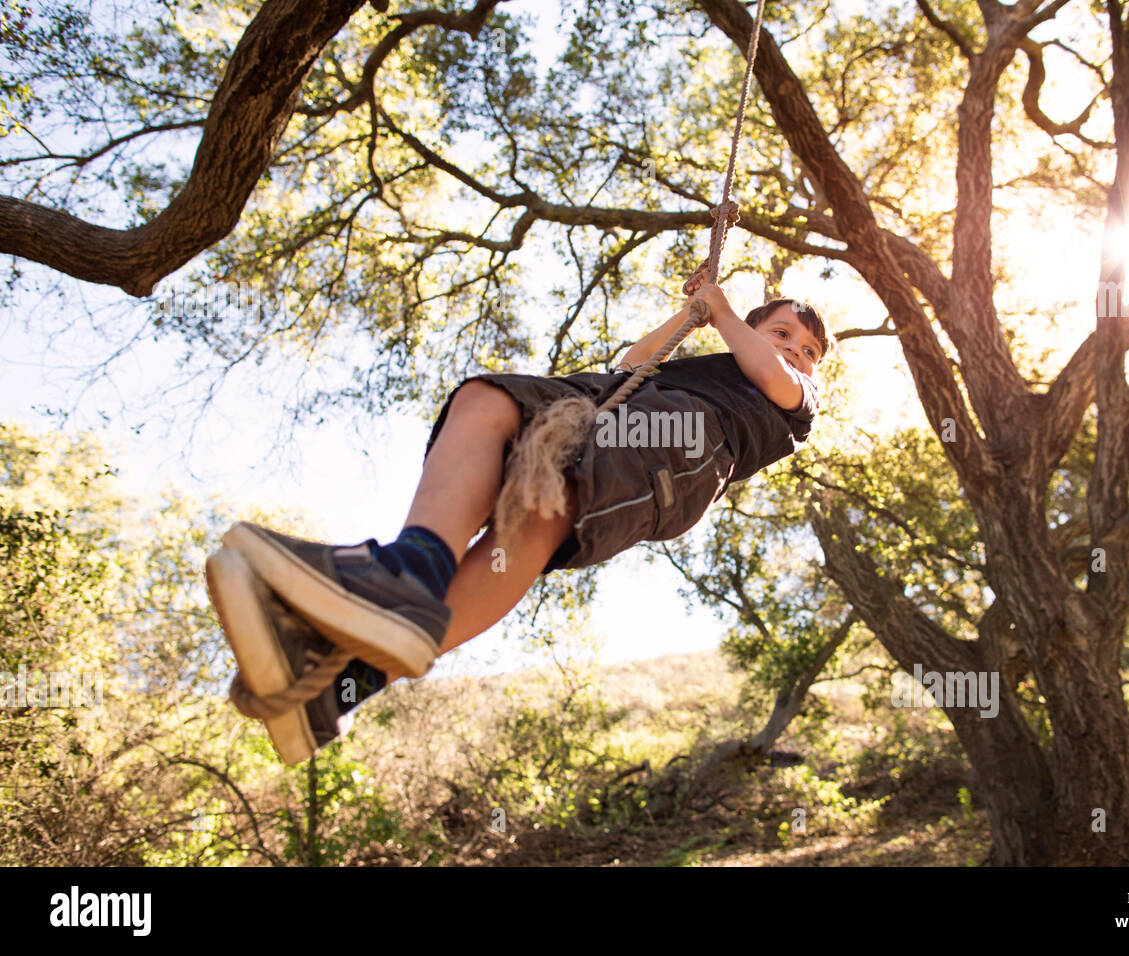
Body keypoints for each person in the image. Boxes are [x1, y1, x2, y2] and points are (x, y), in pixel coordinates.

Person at [205, 276, 836, 764]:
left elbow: (774, 379)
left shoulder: (793, 402)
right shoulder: (708, 356)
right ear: (752, 330)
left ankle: (384, 620)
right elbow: (632, 360)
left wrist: (727, 314)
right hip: (608, 404)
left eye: (808, 350)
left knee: (542, 513)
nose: (795, 352)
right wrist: (697, 310)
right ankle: (357, 657)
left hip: (684, 443)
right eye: (781, 334)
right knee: (489, 402)